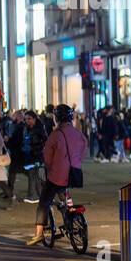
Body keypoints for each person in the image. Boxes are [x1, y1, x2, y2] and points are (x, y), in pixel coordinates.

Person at [27, 105, 87, 247]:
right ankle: (70, 215)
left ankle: (39, 234)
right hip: (74, 173)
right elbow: (84, 148)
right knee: (64, 193)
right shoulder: (78, 133)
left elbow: (47, 157)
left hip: (57, 174)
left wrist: (51, 166)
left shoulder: (56, 134)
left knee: (44, 202)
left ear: (57, 118)